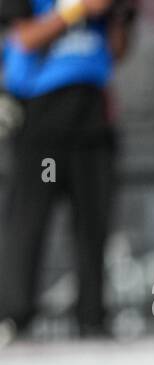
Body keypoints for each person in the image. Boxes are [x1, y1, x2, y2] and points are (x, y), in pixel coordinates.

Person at [0, 0, 136, 344]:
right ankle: (16, 318)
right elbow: (24, 38)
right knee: (28, 223)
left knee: (94, 225)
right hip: (42, 123)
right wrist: (76, 9)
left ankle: (92, 318)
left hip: (91, 123)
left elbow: (117, 52)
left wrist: (116, 15)